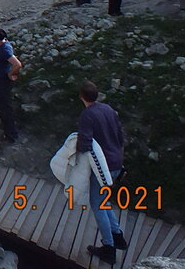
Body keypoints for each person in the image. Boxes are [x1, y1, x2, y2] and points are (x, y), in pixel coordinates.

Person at [78, 81, 128, 263]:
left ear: (81, 97)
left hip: (101, 168)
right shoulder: (108, 109)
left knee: (97, 204)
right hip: (116, 163)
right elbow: (121, 136)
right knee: (104, 200)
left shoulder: (87, 116)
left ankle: (109, 248)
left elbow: (84, 144)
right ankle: (117, 235)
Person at [0, 28, 22, 143]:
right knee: (0, 106)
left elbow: (17, 64)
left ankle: (11, 135)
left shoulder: (4, 49)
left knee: (5, 108)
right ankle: (7, 132)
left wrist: (10, 74)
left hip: (2, 82)